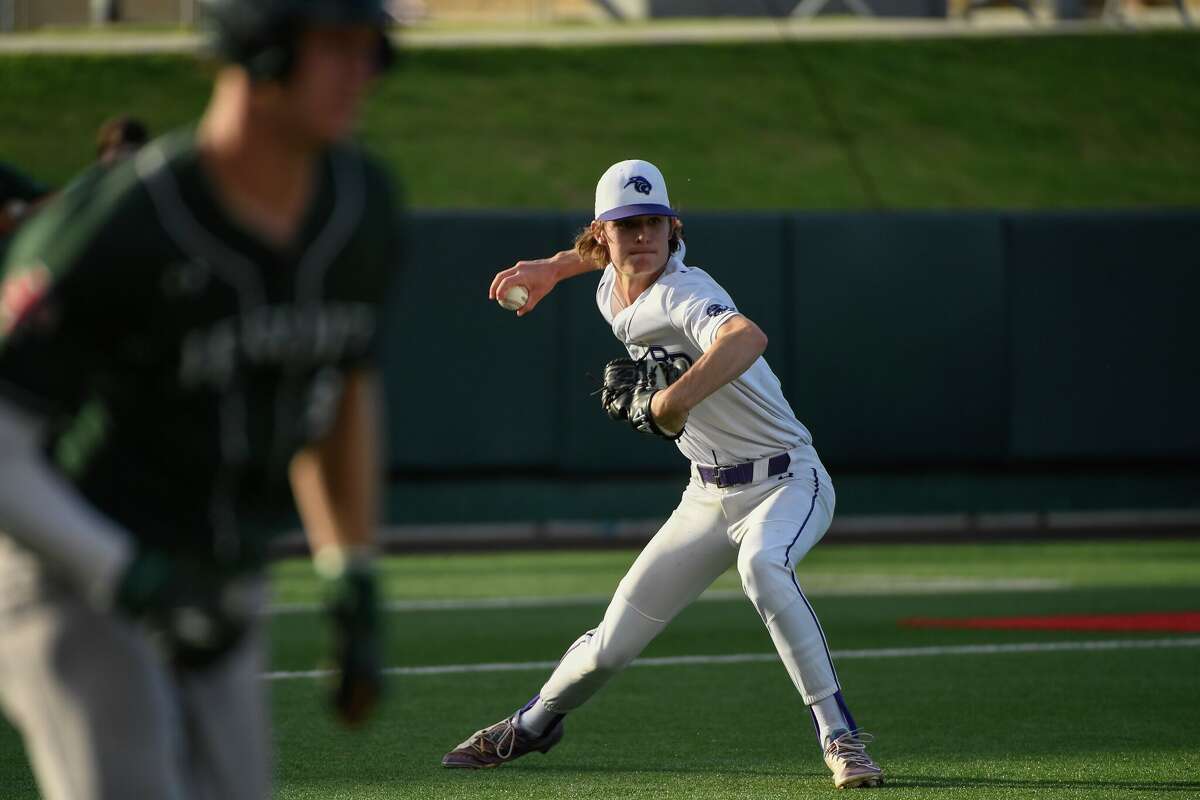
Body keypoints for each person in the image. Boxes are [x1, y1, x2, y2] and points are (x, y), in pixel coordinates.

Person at [0, 1, 402, 798]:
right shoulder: (128, 219)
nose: (362, 71)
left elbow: (342, 384)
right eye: (335, 45)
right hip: (66, 562)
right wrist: (122, 572)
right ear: (261, 49)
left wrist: (350, 569)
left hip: (214, 568)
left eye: (369, 48)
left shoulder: (362, 207)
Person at [443, 159, 884, 790]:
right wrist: (551, 268)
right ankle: (533, 724)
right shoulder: (608, 287)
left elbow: (745, 338)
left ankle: (840, 737)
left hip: (787, 480)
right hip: (707, 495)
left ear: (673, 227)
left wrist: (671, 401)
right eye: (627, 225)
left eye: (654, 222)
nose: (643, 236)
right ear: (602, 234)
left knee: (763, 567)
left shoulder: (684, 290)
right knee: (611, 644)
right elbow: (599, 263)